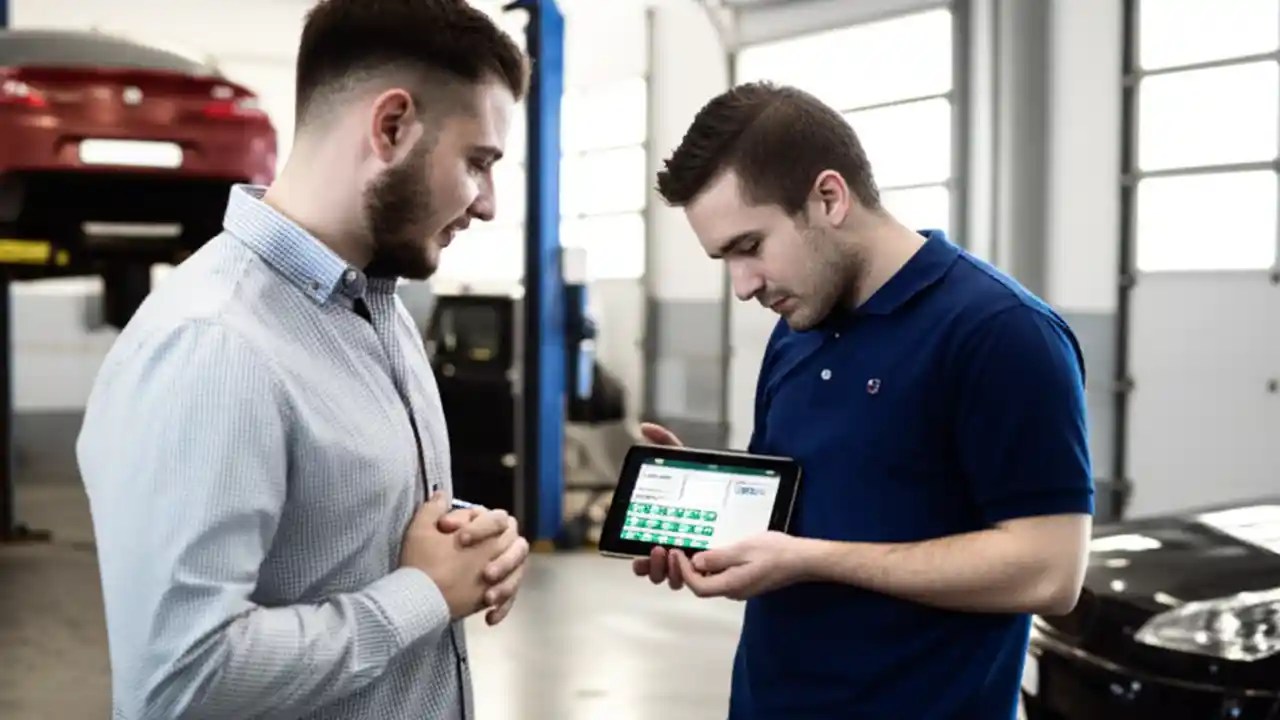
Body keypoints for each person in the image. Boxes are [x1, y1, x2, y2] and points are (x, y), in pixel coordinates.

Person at [75, 1, 531, 717]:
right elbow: (182, 681)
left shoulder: (378, 311)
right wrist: (423, 595)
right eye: (479, 162)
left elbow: (344, 532)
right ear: (392, 126)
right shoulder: (215, 345)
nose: (488, 205)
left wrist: (473, 542)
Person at [634, 82, 1094, 719]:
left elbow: (1050, 571)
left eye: (750, 247)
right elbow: (792, 518)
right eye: (725, 259)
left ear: (829, 197)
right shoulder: (797, 330)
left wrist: (810, 560)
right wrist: (707, 508)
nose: (743, 286)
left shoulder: (1003, 333)